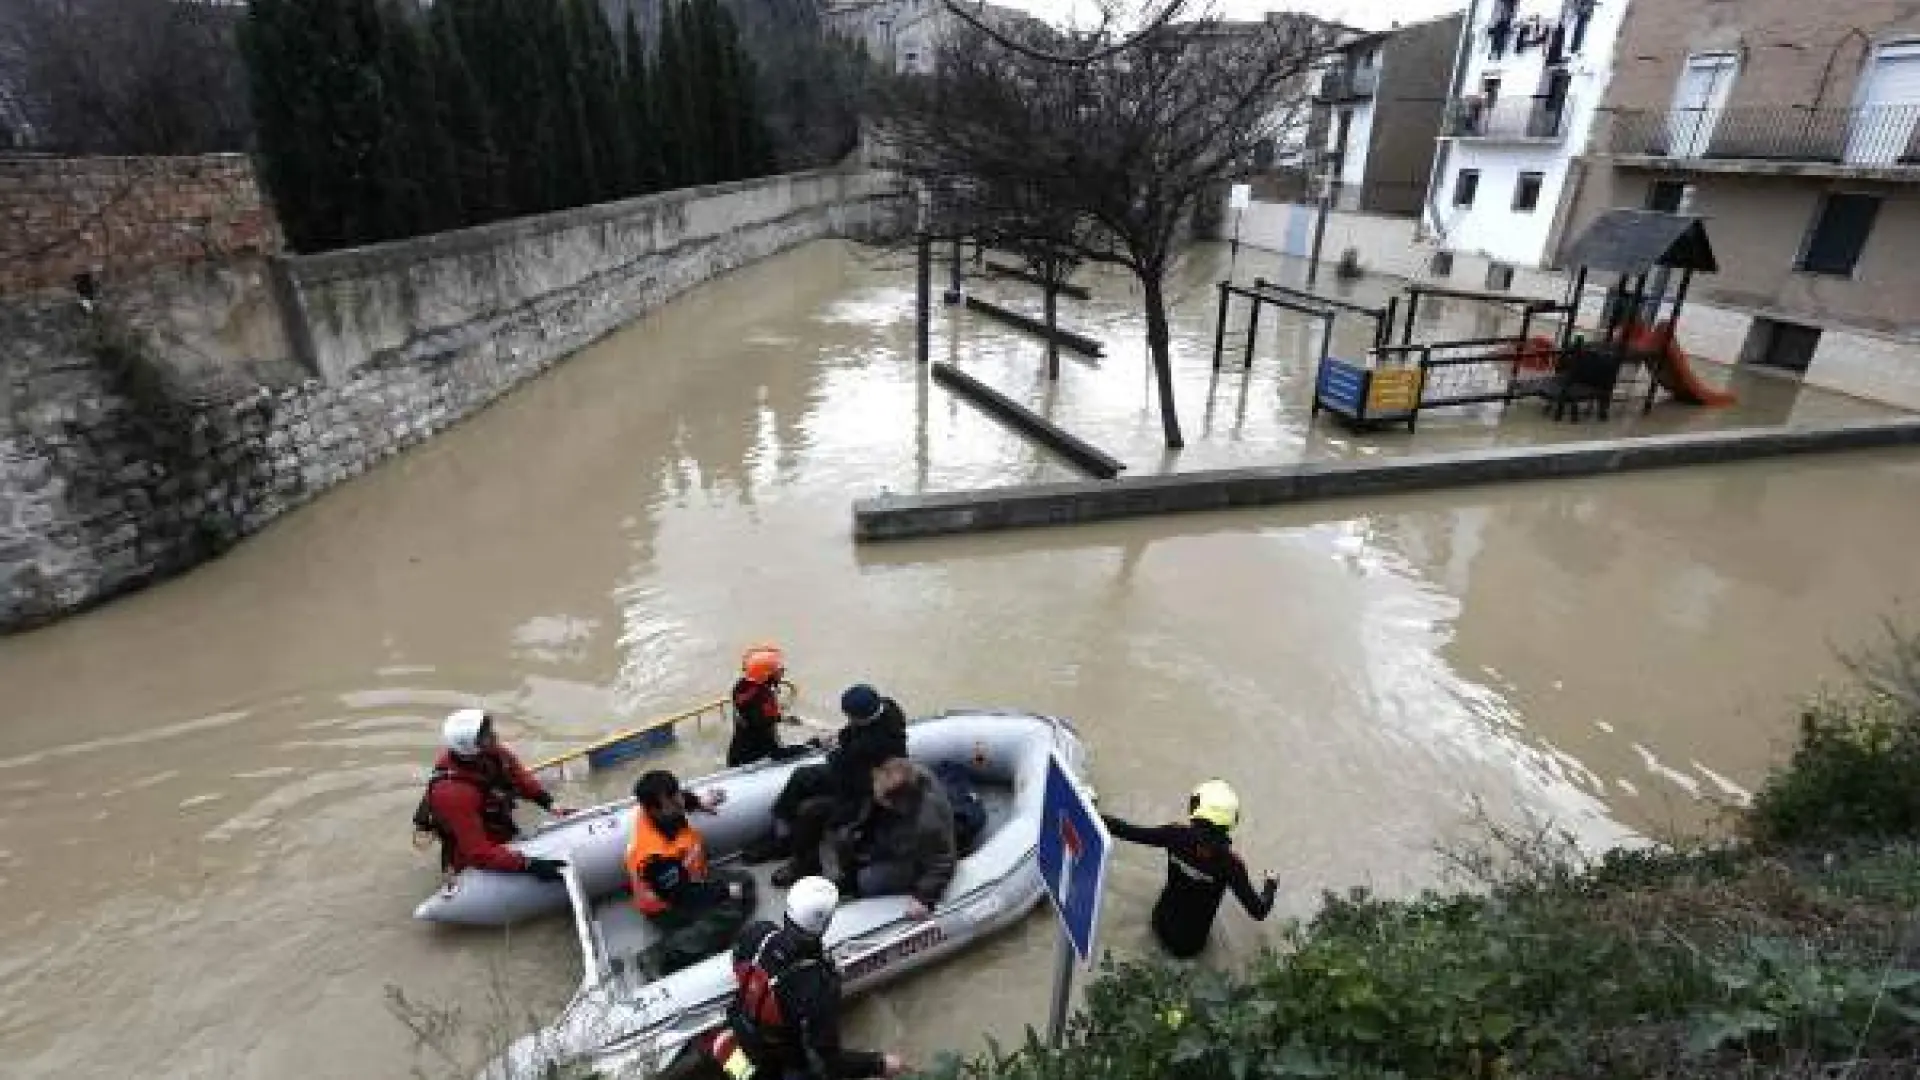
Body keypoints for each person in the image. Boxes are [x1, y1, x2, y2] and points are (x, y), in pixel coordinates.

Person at [699, 876, 905, 1080]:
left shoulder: (758, 933)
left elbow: (739, 963)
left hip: (744, 1027)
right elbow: (830, 1062)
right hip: (785, 1056)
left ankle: (730, 1055)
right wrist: (879, 1063)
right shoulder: (818, 985)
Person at [1100, 780, 1278, 959]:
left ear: (1196, 810)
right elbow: (1259, 911)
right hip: (1191, 946)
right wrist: (1271, 885)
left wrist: (1093, 815)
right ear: (1231, 820)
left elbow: (1128, 831)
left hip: (1159, 925)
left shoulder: (1175, 835)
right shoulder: (1231, 865)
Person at [766, 684, 909, 886]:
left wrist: (831, 745)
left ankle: (806, 864)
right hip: (852, 773)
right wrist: (841, 737)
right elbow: (850, 739)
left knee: (810, 812)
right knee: (802, 776)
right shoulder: (889, 708)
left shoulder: (869, 745)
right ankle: (784, 835)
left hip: (865, 792)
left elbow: (839, 762)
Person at [413, 708, 569, 881]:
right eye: (486, 734)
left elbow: (519, 777)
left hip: (497, 825)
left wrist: (549, 803)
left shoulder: (494, 752)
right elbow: (478, 852)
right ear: (471, 746)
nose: (493, 735)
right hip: (472, 852)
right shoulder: (453, 794)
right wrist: (529, 864)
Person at [626, 770, 753, 975]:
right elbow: (685, 896)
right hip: (667, 906)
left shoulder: (662, 808)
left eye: (677, 794)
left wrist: (698, 801)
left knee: (745, 882)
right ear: (654, 810)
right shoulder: (654, 857)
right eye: (674, 800)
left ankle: (704, 938)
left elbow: (681, 798)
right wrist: (726, 891)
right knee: (732, 910)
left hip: (690, 879)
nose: (680, 802)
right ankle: (661, 953)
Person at [833, 758, 956, 919]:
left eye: (880, 795)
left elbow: (943, 860)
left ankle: (858, 894)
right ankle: (849, 879)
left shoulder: (926, 822)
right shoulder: (903, 780)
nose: (875, 794)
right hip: (893, 835)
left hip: (914, 856)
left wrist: (924, 898)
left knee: (869, 880)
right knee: (845, 841)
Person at [728, 644, 816, 768]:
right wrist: (809, 747)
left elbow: (758, 717)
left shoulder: (742, 687)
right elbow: (770, 745)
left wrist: (781, 717)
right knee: (811, 748)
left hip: (738, 753)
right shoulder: (762, 696)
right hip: (755, 759)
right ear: (766, 675)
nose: (782, 674)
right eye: (778, 671)